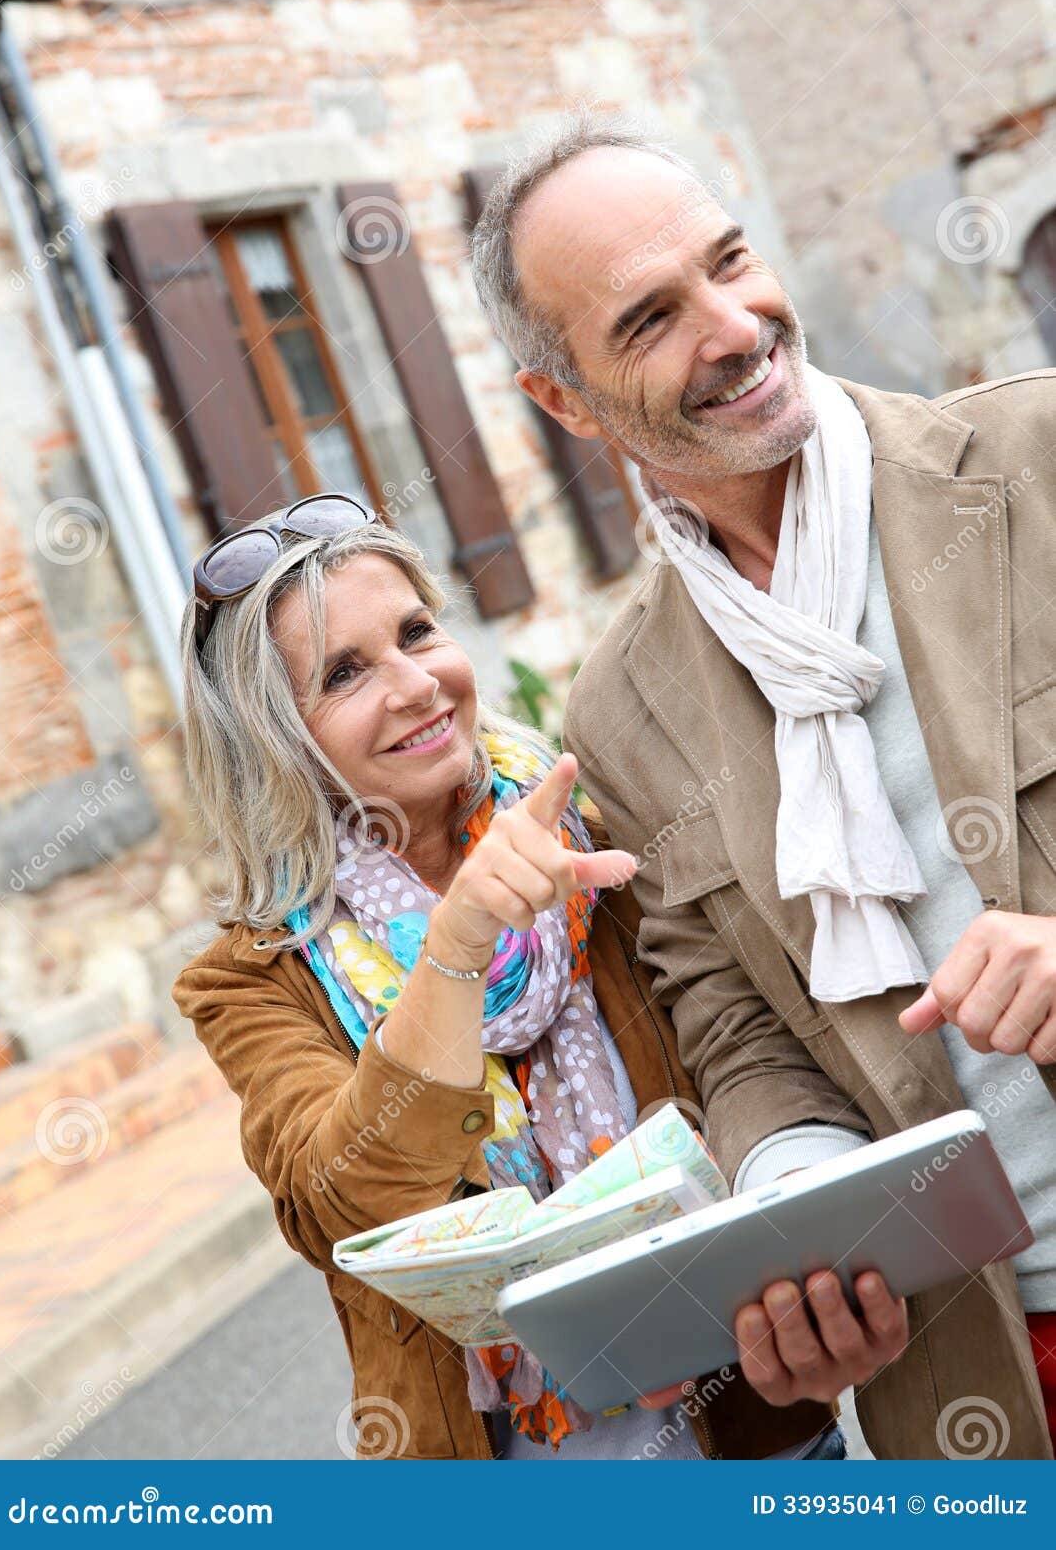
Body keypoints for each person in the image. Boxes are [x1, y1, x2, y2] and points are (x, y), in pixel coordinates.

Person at [470, 112, 1056, 1460]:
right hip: (979, 1373)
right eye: (649, 318)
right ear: (557, 398)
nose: (732, 324)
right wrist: (794, 1209)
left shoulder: (1033, 460)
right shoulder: (620, 707)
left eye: (729, 261)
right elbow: (733, 1029)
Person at [171, 495, 843, 1460]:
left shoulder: (598, 842)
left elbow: (751, 1060)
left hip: (755, 1435)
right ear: (276, 739)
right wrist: (458, 941)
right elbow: (345, 1201)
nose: (415, 685)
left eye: (416, 632)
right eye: (345, 673)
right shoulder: (253, 977)